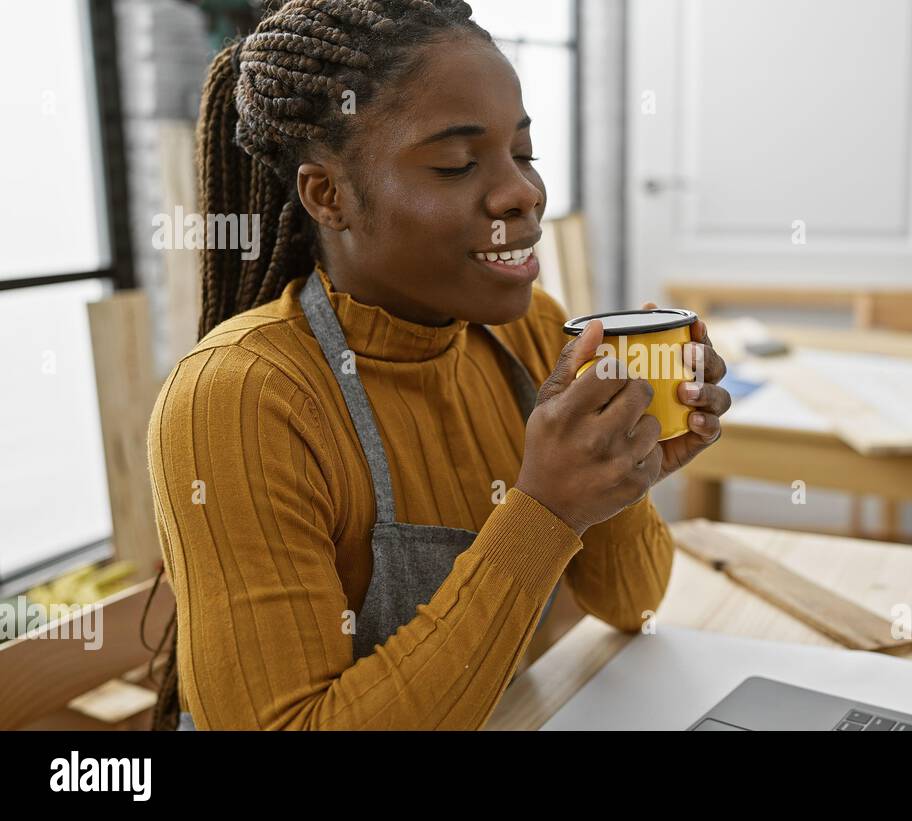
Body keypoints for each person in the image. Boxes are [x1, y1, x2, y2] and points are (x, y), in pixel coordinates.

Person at [145, 0, 731, 730]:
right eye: (457, 162)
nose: (524, 192)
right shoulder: (239, 398)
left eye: (524, 153)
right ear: (329, 195)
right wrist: (546, 512)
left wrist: (621, 474)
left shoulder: (533, 333)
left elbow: (632, 606)